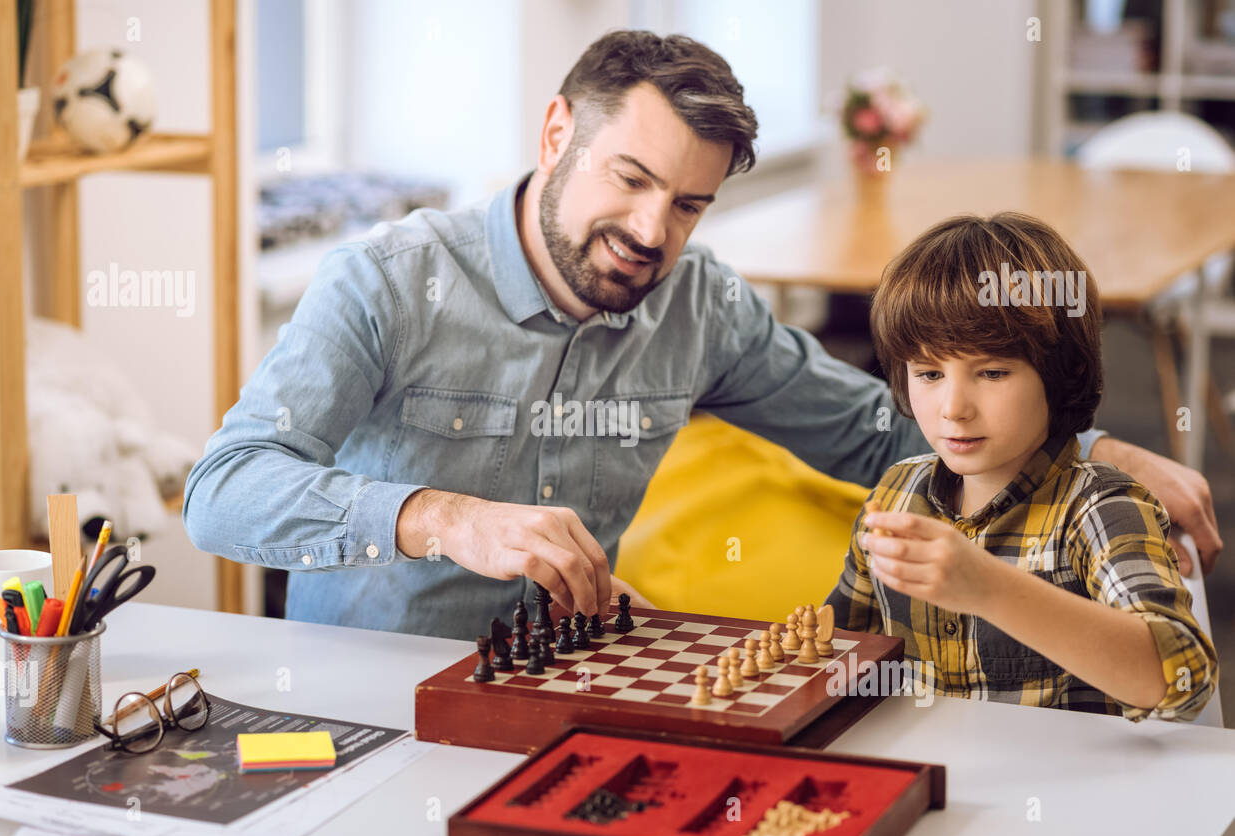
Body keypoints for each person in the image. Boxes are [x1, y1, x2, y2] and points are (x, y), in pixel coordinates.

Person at [182, 30, 1221, 638]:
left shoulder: (702, 306)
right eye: (629, 181)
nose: (649, 233)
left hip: (578, 676)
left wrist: (1091, 450)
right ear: (556, 135)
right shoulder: (386, 280)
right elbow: (222, 492)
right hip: (370, 701)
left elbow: (875, 436)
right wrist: (445, 516)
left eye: (687, 205)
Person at [825, 213, 1217, 720]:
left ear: (1064, 372)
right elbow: (842, 644)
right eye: (928, 373)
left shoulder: (1101, 507)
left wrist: (988, 587)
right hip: (925, 778)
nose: (953, 407)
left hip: (1066, 791)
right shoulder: (897, 492)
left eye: (991, 372)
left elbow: (1179, 679)